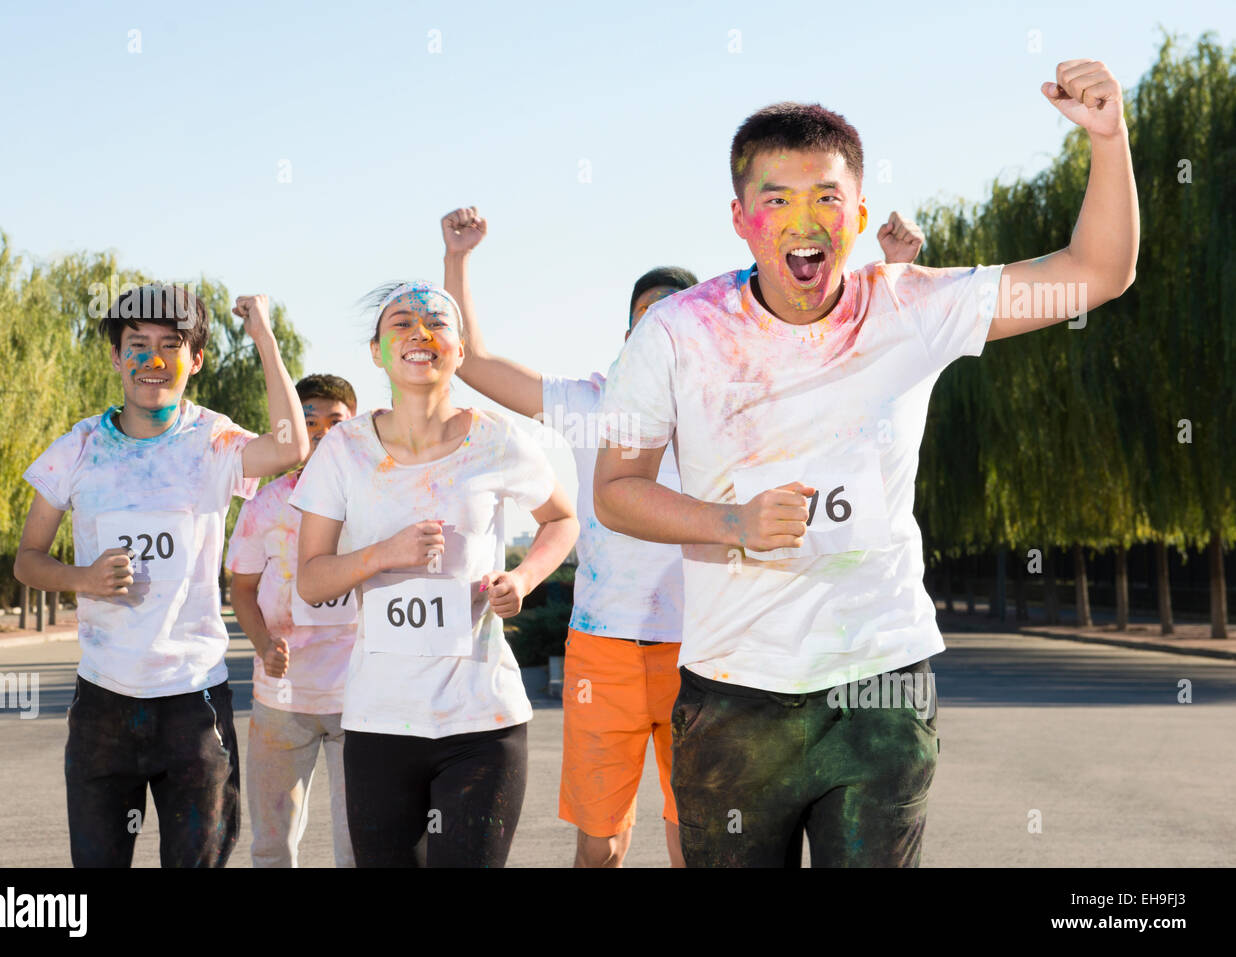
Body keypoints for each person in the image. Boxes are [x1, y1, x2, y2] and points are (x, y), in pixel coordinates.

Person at [594, 60, 1138, 867]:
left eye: (826, 199)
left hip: (879, 683)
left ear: (859, 215)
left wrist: (1108, 138)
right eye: (775, 200)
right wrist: (731, 522)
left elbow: (1096, 274)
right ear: (741, 218)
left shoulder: (911, 305)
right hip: (735, 691)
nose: (802, 220)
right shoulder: (675, 331)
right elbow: (616, 490)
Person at [439, 205, 925, 867]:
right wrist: (458, 260)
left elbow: (848, 389)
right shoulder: (591, 405)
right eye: (647, 317)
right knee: (600, 846)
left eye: (675, 313)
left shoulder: (734, 409)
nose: (661, 327)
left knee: (694, 843)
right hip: (601, 650)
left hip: (702, 655)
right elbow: (478, 364)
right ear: (632, 334)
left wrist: (896, 274)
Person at [15, 285, 308, 867]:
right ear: (116, 356)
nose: (153, 361)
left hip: (194, 703)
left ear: (194, 359)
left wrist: (263, 337)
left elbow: (292, 445)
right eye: (138, 345)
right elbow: (28, 559)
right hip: (104, 702)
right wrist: (83, 578)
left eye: (170, 346)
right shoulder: (79, 446)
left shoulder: (213, 440)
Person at [290, 279, 579, 867]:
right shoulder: (342, 449)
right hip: (379, 723)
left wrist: (521, 581)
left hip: (483, 721)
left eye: (436, 323)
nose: (420, 333)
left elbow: (563, 521)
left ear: (460, 351)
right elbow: (312, 579)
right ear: (376, 351)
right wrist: (382, 554)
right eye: (401, 322)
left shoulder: (499, 439)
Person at [225, 373, 360, 867]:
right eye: (309, 422)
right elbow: (240, 590)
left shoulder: (374, 496)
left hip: (359, 697)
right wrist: (263, 644)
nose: (322, 432)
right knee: (272, 845)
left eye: (335, 421)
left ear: (354, 425)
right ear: (292, 431)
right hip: (281, 699)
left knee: (358, 846)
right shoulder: (265, 504)